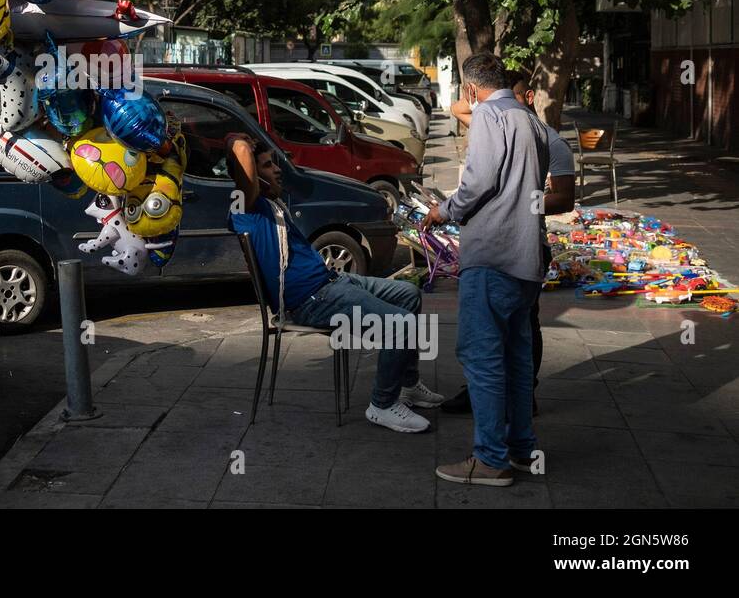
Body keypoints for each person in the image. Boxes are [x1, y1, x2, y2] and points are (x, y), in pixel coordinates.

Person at [226, 134, 443, 433]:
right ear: (250, 176)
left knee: (408, 294)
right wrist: (239, 140)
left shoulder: (270, 205)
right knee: (402, 324)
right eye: (266, 166)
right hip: (311, 300)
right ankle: (382, 404)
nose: (277, 170)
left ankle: (407, 385)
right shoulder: (246, 209)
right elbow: (239, 152)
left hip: (333, 281)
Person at [425, 53, 549, 486]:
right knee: (515, 360)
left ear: (472, 89)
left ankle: (490, 458)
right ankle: (519, 449)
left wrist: (443, 211)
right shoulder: (530, 119)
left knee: (482, 359)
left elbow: (477, 183)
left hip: (493, 256)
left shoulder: (489, 115)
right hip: (525, 258)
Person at [439, 69, 577, 416]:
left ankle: (497, 444)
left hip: (517, 248)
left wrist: (522, 201)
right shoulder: (506, 122)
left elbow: (564, 199)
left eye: (514, 98)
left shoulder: (546, 139)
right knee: (503, 341)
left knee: (509, 338)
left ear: (529, 99)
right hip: (509, 248)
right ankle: (509, 428)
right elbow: (460, 108)